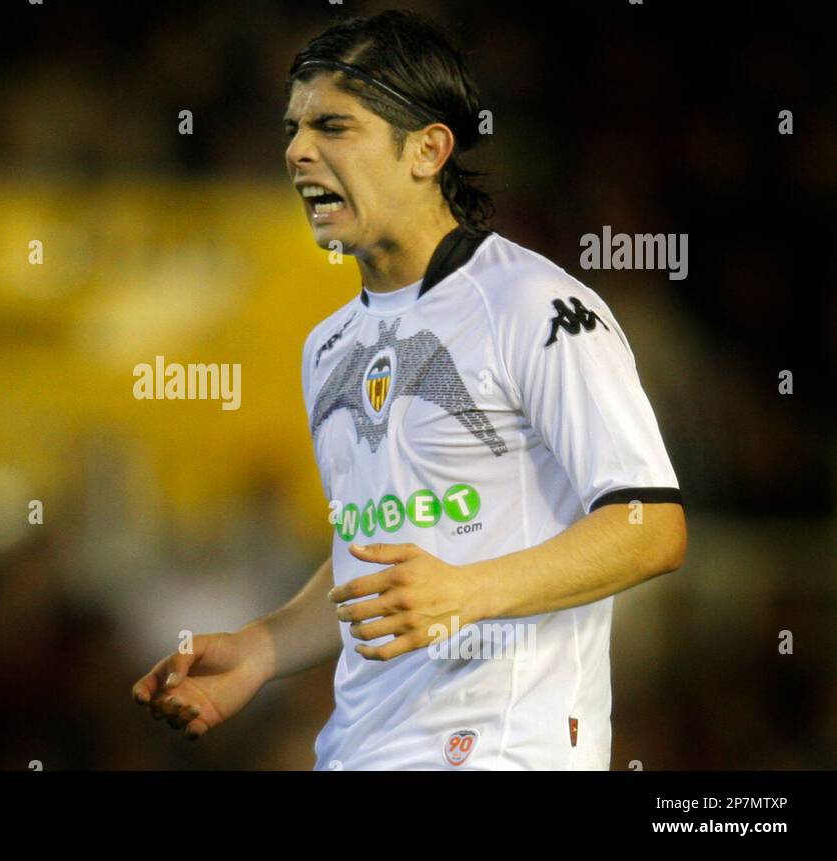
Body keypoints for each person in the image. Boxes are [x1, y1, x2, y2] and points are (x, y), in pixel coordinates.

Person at [132, 9, 685, 770]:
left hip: (504, 748)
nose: (297, 150)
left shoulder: (534, 306)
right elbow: (377, 547)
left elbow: (651, 527)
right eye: (293, 128)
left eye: (333, 126)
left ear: (428, 149)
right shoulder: (328, 347)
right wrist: (263, 648)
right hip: (359, 750)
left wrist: (470, 591)